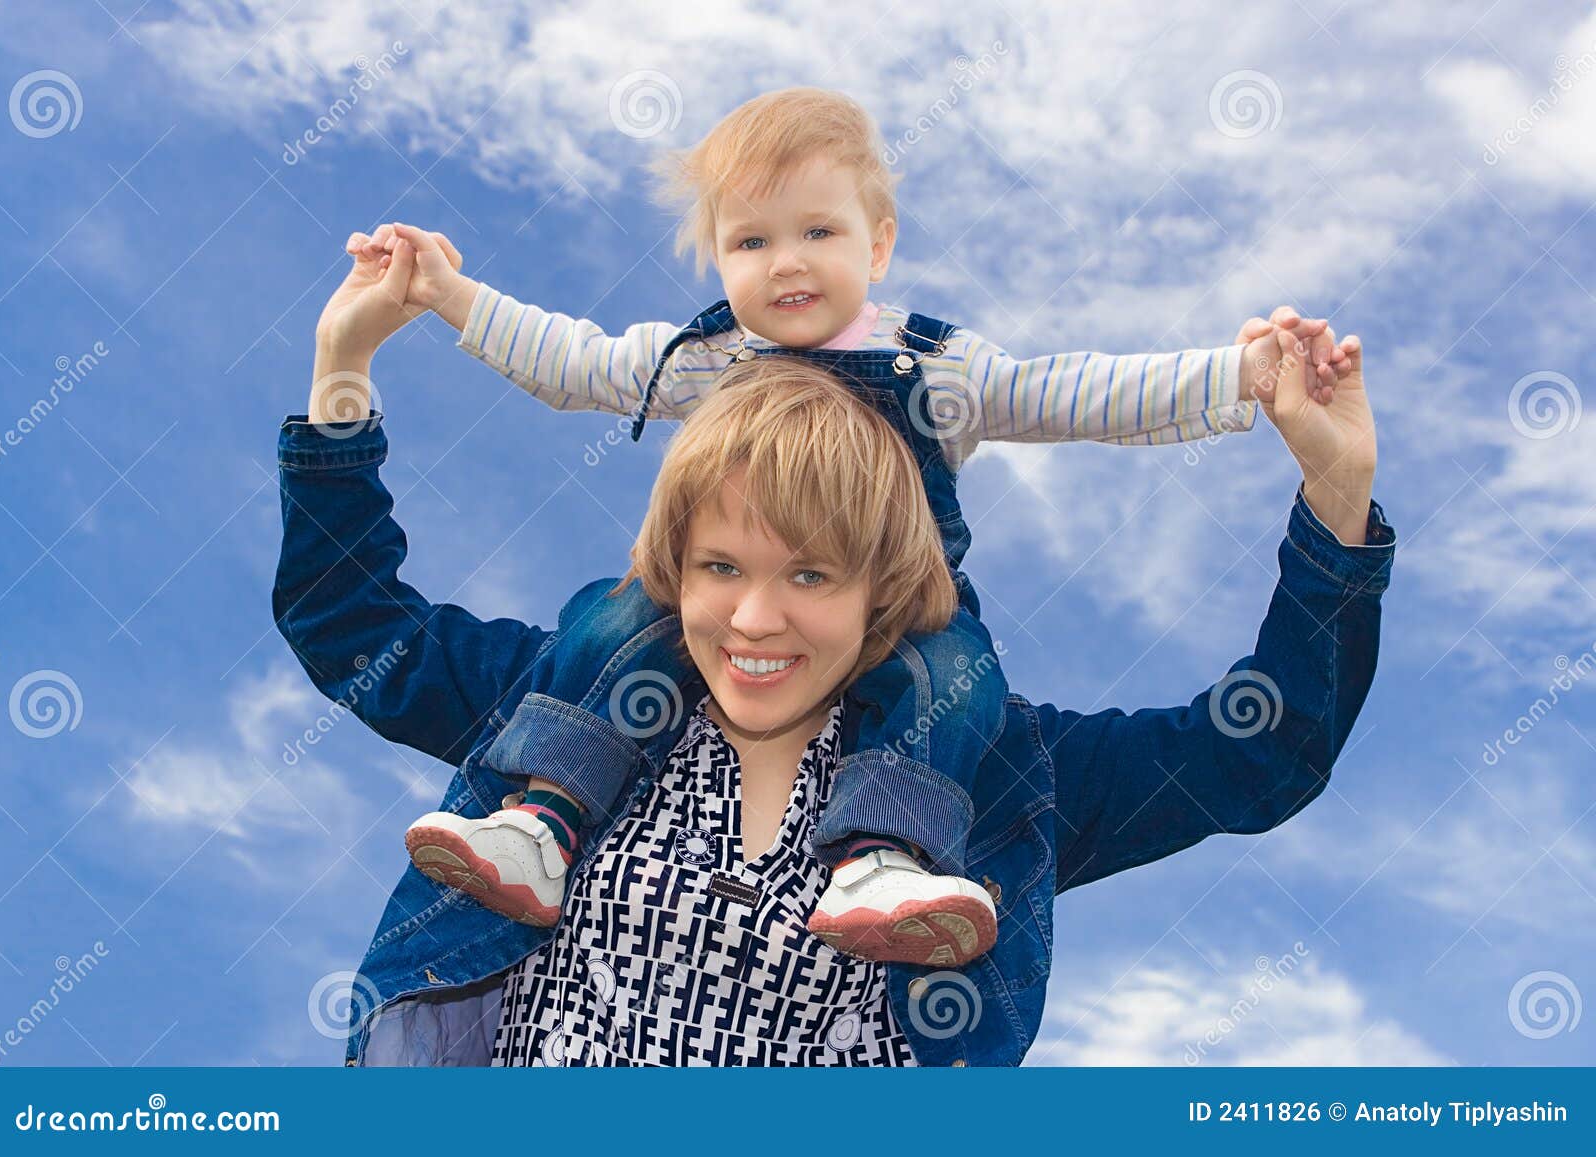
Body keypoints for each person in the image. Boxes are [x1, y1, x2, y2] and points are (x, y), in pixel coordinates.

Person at [273, 233, 1393, 1064]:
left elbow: (1260, 752)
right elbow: (354, 625)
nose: (755, 619)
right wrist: (342, 368)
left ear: (882, 589)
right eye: (720, 567)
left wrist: (1336, 498)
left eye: (810, 575)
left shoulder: (991, 771)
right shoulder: (567, 707)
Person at [346, 86, 1357, 966]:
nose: (786, 263)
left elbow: (1077, 391)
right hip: (660, 656)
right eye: (750, 241)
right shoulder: (707, 358)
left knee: (955, 678)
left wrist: (1238, 376)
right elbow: (576, 363)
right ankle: (543, 818)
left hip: (908, 607)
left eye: (817, 233)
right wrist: (446, 295)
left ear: (878, 244)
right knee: (608, 624)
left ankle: (884, 857)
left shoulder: (938, 367)